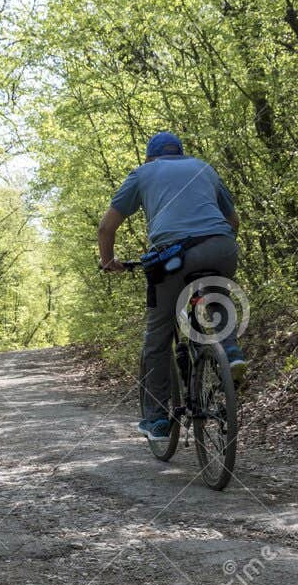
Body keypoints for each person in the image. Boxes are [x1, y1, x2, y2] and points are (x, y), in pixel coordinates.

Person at [97, 131, 244, 438]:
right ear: (181, 154)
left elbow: (106, 226)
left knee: (158, 335)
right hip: (221, 247)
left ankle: (157, 420)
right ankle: (230, 351)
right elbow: (233, 222)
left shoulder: (143, 173)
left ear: (151, 157)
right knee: (214, 294)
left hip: (173, 257)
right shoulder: (204, 168)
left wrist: (109, 261)